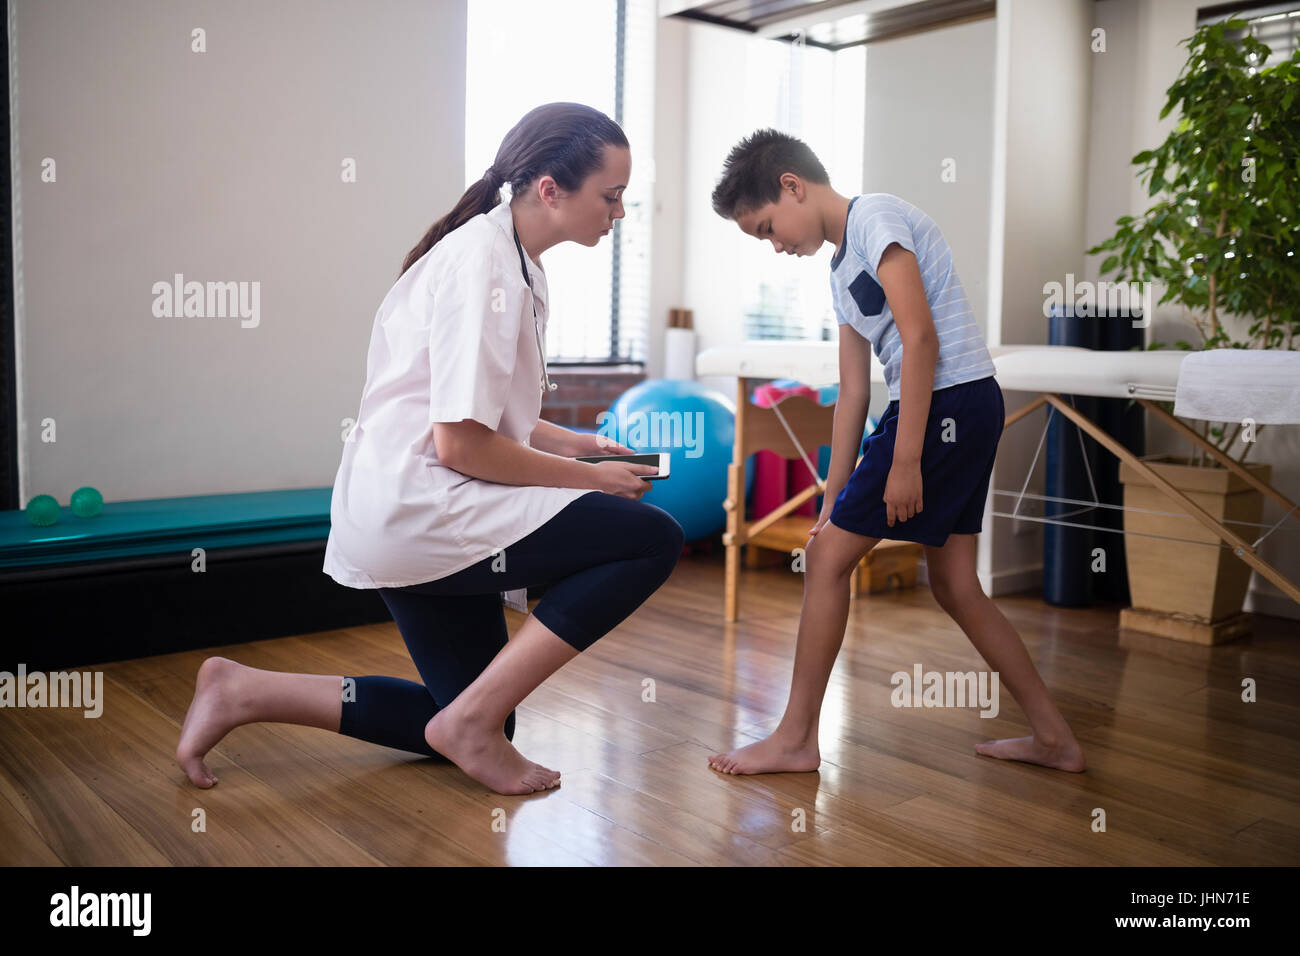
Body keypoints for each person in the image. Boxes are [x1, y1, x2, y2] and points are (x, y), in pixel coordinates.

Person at [176, 102, 683, 797]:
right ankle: (471, 720)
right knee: (650, 539)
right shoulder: (485, 267)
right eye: (612, 196)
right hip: (424, 506)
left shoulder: (516, 262)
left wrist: (585, 447)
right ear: (550, 190)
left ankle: (241, 692)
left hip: (412, 506)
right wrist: (584, 482)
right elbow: (462, 445)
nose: (620, 213)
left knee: (470, 723)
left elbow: (492, 417)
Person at [705, 129, 1085, 775]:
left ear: (792, 186)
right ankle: (1054, 739)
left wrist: (906, 460)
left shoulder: (875, 215)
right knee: (957, 584)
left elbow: (921, 337)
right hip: (952, 408)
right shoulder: (837, 269)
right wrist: (832, 500)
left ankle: (796, 739)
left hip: (947, 406)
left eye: (768, 227)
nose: (774, 245)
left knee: (826, 564)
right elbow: (854, 391)